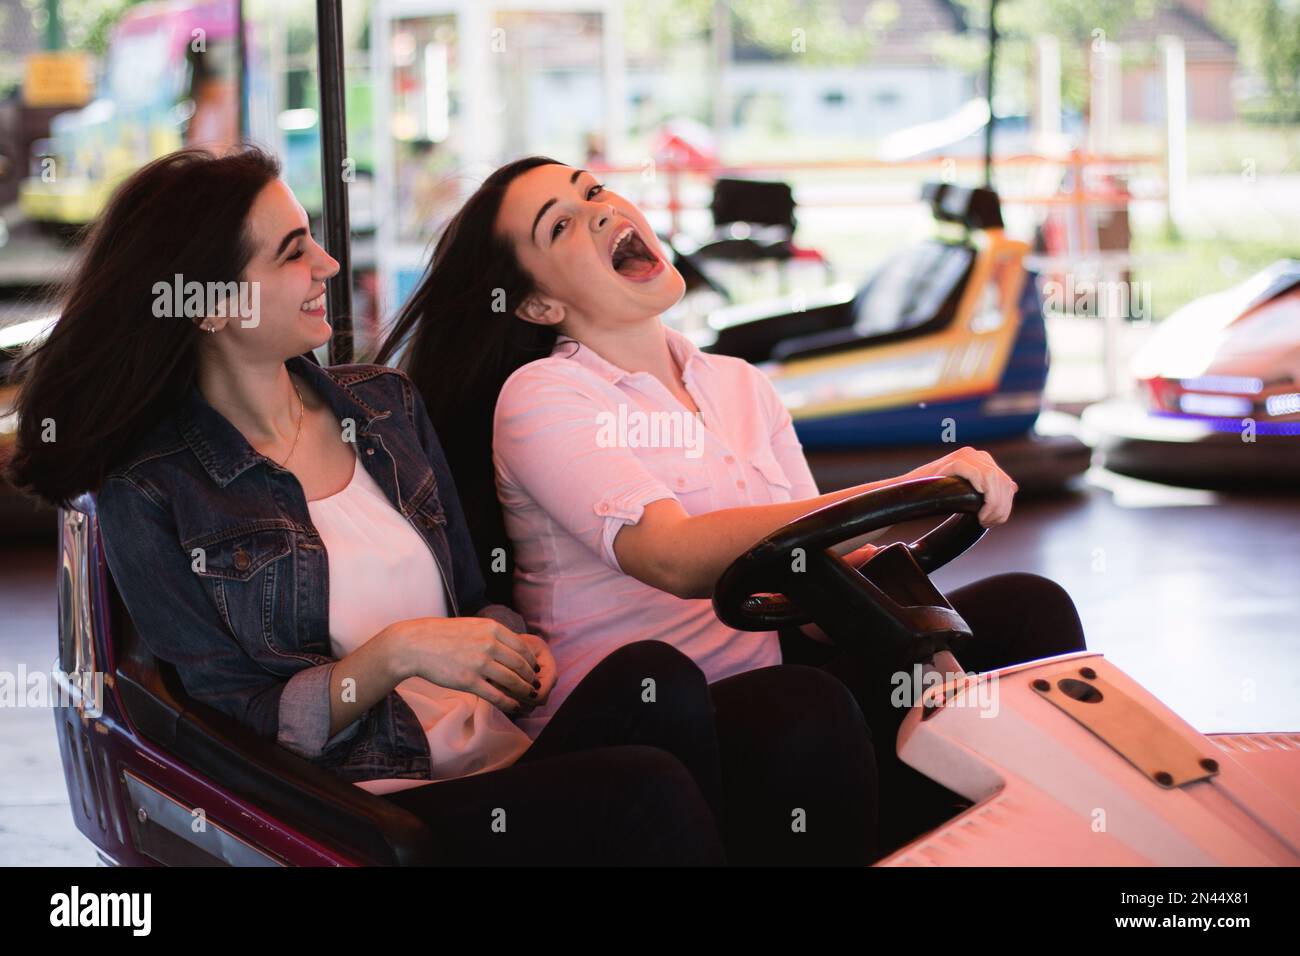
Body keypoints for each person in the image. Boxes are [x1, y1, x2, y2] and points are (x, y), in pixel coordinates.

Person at [9, 146, 876, 866]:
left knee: (739, 698)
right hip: (367, 807)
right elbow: (234, 721)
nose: (329, 266)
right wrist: (396, 655)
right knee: (641, 792)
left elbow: (475, 594)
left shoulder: (383, 407)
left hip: (496, 749)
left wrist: (513, 638)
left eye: (313, 238)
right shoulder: (153, 488)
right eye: (291, 254)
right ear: (209, 306)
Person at [378, 156, 1089, 854]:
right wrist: (904, 488)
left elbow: (816, 565)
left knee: (1028, 609)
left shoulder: (739, 384)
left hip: (763, 683)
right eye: (560, 224)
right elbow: (671, 554)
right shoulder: (545, 395)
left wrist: (893, 606)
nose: (599, 208)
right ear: (538, 304)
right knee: (803, 703)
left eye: (593, 189)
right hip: (651, 721)